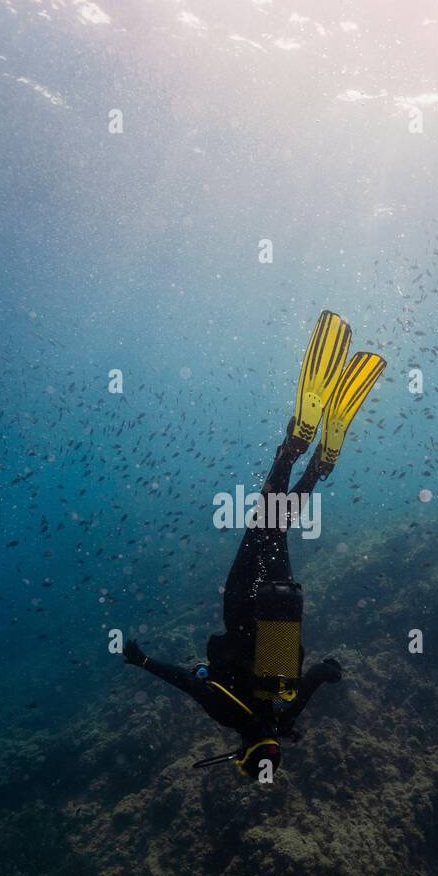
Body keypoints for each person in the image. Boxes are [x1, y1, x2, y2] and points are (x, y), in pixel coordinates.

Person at [124, 311, 386, 779]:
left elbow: (318, 676)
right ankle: (294, 445)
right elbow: (190, 684)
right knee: (264, 520)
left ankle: (318, 466)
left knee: (276, 526)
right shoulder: (235, 718)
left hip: (283, 601)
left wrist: (331, 671)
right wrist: (142, 662)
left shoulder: (286, 718)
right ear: (244, 752)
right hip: (246, 605)